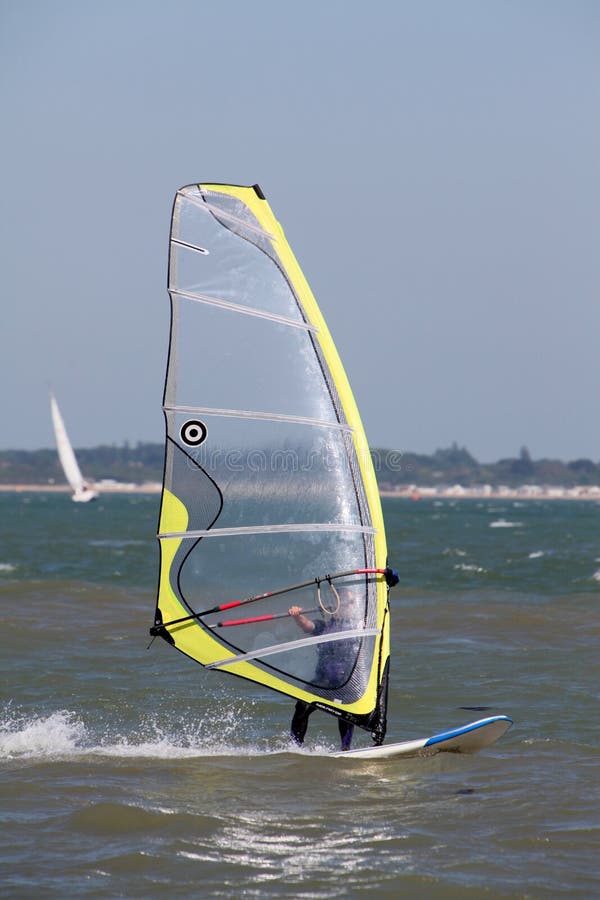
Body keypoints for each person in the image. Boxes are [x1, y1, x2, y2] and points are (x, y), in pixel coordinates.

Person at [288, 603, 356, 751]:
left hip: (347, 681)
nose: (342, 610)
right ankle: (294, 747)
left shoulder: (357, 628)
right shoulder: (323, 626)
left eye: (348, 605)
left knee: (347, 713)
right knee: (302, 705)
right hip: (322, 681)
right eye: (340, 606)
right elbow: (307, 625)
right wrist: (297, 616)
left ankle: (345, 749)